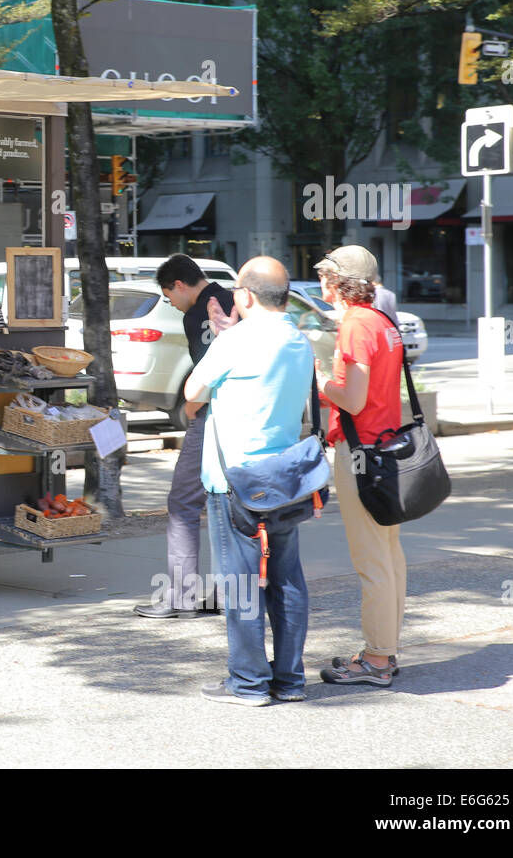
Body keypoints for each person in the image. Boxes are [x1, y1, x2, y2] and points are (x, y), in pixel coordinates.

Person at [184, 256, 314, 706]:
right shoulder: (299, 339)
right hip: (285, 479)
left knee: (241, 583)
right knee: (286, 580)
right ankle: (290, 680)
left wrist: (224, 337)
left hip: (234, 480)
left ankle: (248, 683)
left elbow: (192, 393)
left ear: (245, 295)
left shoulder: (236, 340)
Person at [314, 245, 405, 687]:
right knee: (388, 556)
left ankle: (376, 660)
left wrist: (320, 381)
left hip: (360, 453)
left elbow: (353, 398)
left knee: (372, 561)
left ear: (338, 280)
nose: (319, 283)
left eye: (323, 275)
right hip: (386, 450)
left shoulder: (355, 326)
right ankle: (383, 649)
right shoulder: (383, 321)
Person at [134, 254, 234, 618]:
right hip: (245, 419)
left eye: (167, 296)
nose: (171, 304)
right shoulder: (234, 299)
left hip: (212, 417)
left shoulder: (197, 314)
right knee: (225, 503)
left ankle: (181, 595)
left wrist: (193, 406)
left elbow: (209, 371)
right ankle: (227, 593)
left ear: (178, 285)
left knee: (182, 503)